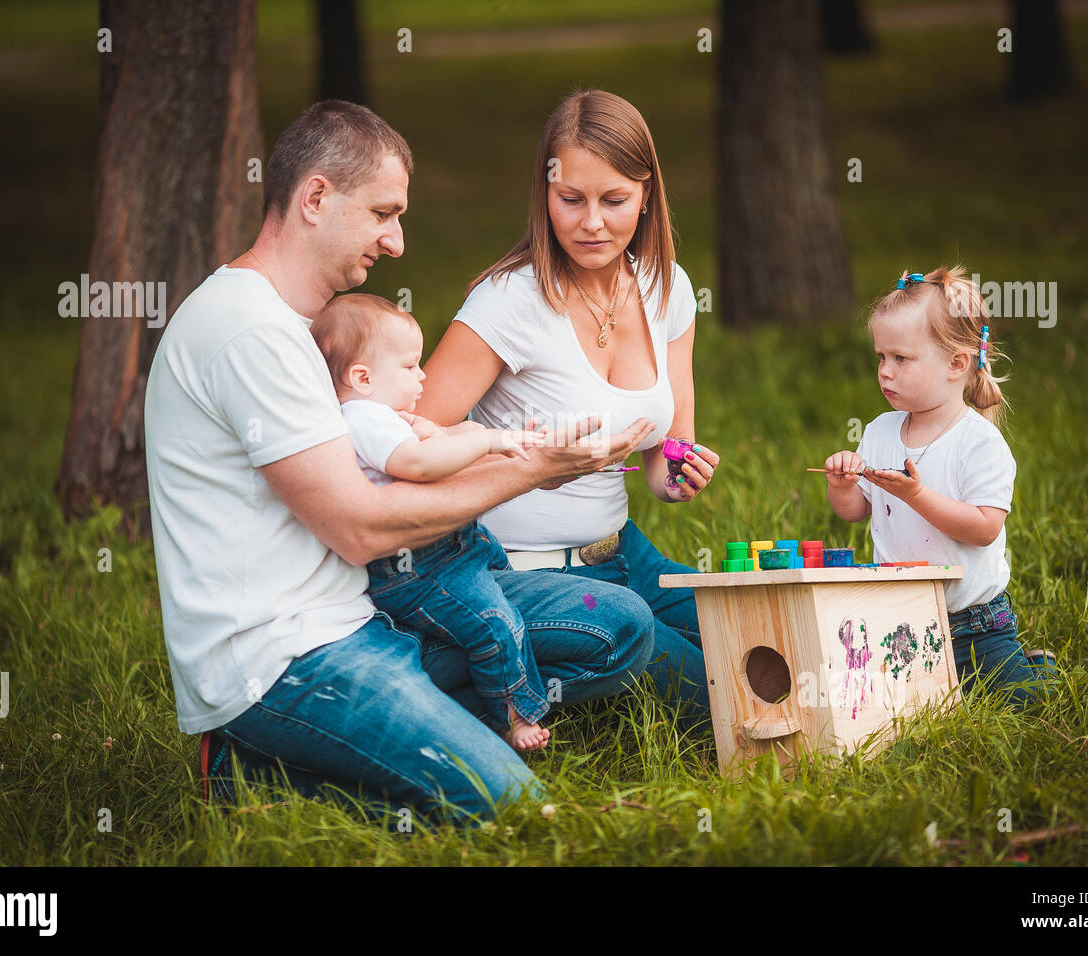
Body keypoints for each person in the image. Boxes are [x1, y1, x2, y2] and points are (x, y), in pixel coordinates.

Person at [143, 100, 659, 823]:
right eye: (384, 213)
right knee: (508, 809)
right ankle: (249, 776)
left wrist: (534, 456)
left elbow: (389, 478)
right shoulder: (246, 332)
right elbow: (361, 529)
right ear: (316, 198)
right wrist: (538, 467)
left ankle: (410, 738)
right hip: (285, 662)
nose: (397, 242)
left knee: (619, 627)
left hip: (371, 611)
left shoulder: (292, 329)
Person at [417, 90, 721, 715]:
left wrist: (679, 475)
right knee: (718, 702)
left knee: (753, 636)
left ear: (647, 196)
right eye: (570, 200)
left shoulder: (668, 289)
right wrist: (527, 464)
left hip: (622, 550)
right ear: (544, 193)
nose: (591, 223)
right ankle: (466, 676)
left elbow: (667, 457)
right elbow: (408, 438)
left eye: (614, 201)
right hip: (527, 572)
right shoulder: (509, 302)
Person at [309, 292, 552, 750]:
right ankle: (514, 716)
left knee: (498, 598)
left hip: (449, 548)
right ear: (361, 377)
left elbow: (434, 443)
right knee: (496, 624)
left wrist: (465, 433)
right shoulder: (362, 417)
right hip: (417, 566)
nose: (423, 376)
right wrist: (489, 442)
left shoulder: (382, 416)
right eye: (409, 366)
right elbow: (419, 464)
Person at [823, 265, 1056, 707]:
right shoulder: (879, 431)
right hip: (900, 618)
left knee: (1020, 701)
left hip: (975, 624)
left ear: (956, 363)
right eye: (881, 357)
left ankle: (1037, 668)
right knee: (888, 711)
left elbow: (985, 528)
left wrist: (917, 496)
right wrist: (843, 485)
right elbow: (856, 510)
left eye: (901, 359)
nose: (885, 372)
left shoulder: (979, 441)